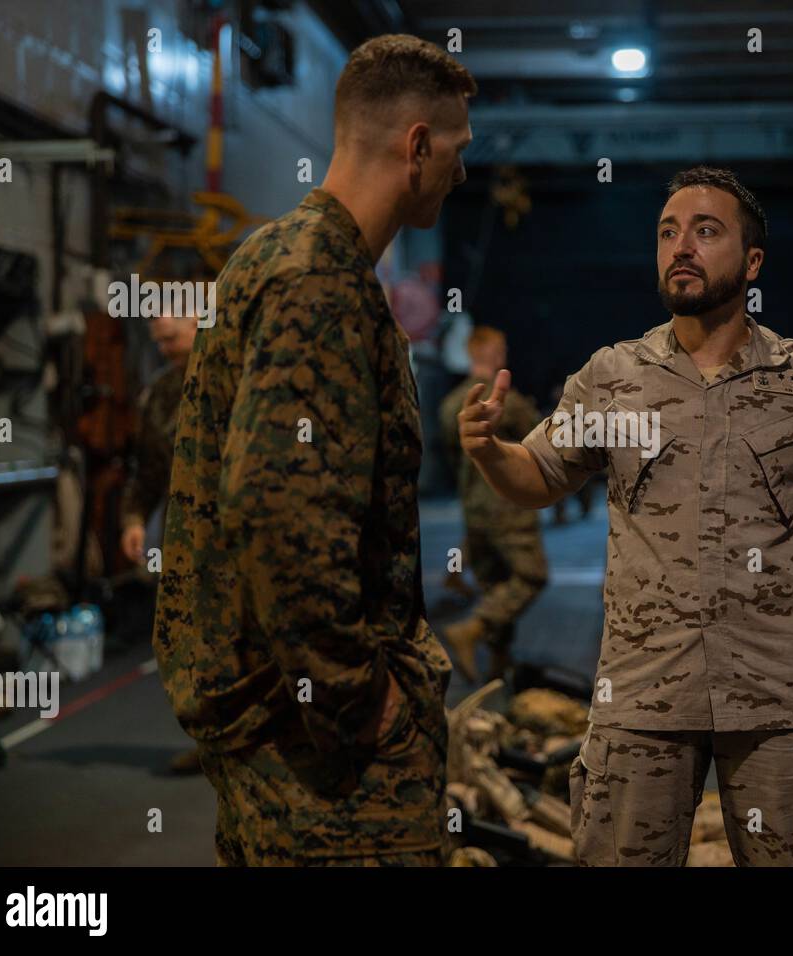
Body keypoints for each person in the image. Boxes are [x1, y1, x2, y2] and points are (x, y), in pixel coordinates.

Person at [456, 166, 793, 866]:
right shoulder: (613, 377)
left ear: (752, 260)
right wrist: (489, 451)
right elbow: (538, 475)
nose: (682, 247)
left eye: (705, 231)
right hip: (642, 697)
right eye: (668, 232)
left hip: (775, 701)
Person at [152, 35, 475, 866]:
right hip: (315, 747)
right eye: (457, 151)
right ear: (416, 146)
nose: (461, 174)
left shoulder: (270, 254)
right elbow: (275, 507)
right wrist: (360, 704)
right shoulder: (319, 280)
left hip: (271, 721)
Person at [438, 326, 548, 682]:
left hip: (474, 510)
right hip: (507, 507)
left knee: (493, 583)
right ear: (497, 354)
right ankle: (473, 629)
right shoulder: (508, 404)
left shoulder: (451, 406)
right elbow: (541, 441)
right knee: (532, 576)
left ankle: (499, 670)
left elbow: (453, 458)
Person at [120, 310, 201, 774]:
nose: (164, 348)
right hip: (182, 536)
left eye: (171, 338)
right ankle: (209, 741)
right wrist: (133, 518)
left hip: (239, 536)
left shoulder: (243, 376)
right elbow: (147, 469)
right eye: (159, 341)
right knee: (183, 644)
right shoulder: (159, 394)